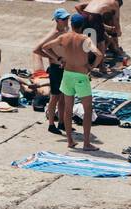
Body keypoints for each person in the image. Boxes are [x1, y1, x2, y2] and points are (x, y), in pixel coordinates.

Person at [44, 14, 100, 150]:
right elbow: (99, 54)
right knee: (87, 110)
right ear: (82, 26)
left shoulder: (64, 37)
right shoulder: (85, 39)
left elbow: (45, 47)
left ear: (71, 25)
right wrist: (91, 67)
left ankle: (70, 140)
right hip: (80, 76)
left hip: (67, 75)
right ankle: (86, 143)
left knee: (68, 109)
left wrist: (58, 58)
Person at [33, 9, 72, 134]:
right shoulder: (54, 33)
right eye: (64, 19)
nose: (66, 20)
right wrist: (54, 58)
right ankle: (51, 124)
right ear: (57, 20)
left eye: (67, 18)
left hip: (63, 68)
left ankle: (61, 122)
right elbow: (37, 49)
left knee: (63, 97)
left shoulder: (65, 30)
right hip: (56, 69)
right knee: (54, 97)